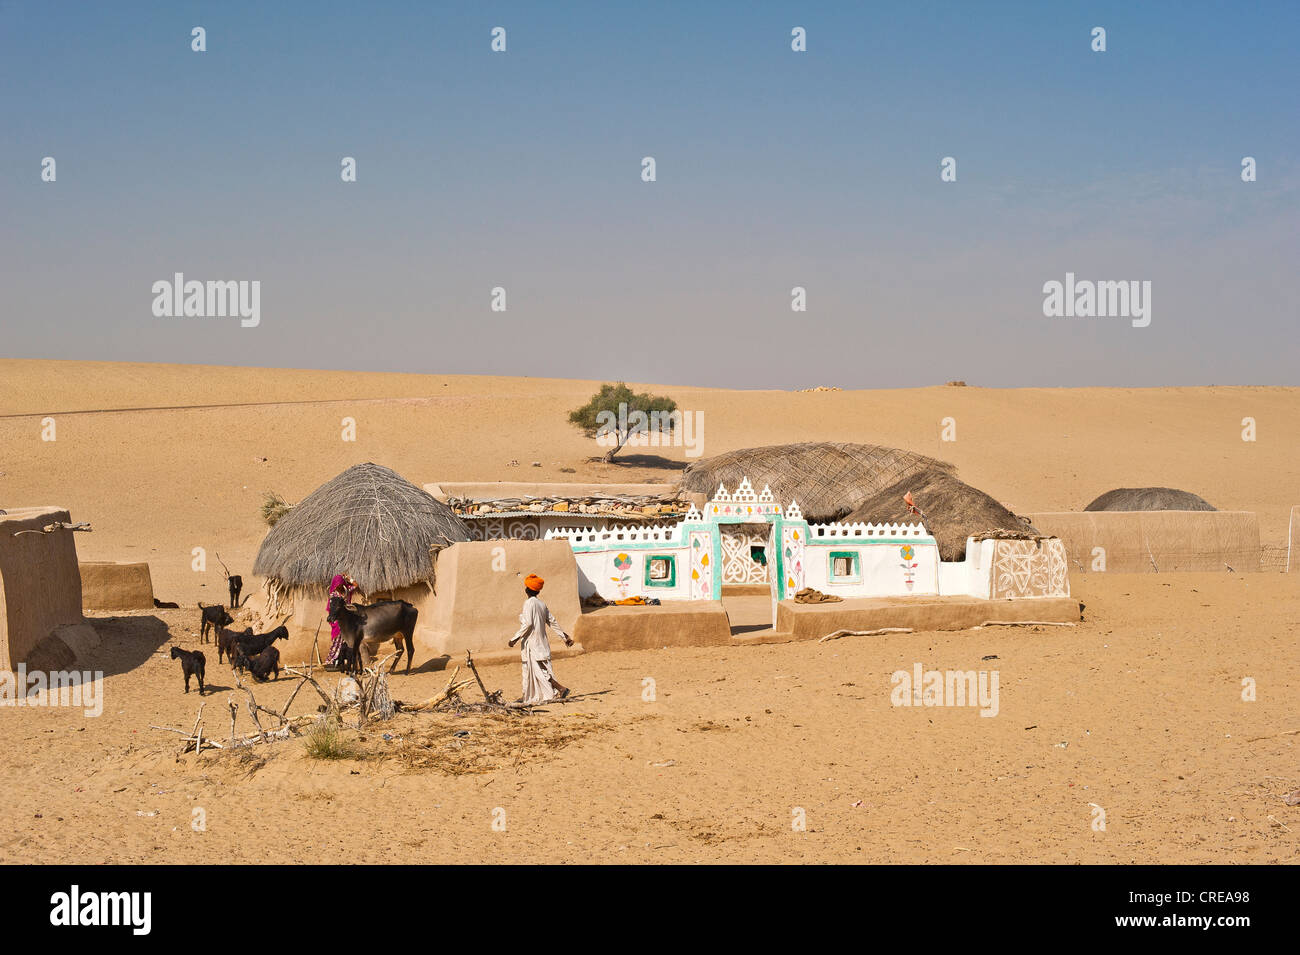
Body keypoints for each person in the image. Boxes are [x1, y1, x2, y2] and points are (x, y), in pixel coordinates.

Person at [509, 573, 573, 703]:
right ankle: (527, 696)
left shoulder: (529, 603)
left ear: (528, 589)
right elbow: (552, 621)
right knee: (533, 669)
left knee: (537, 669)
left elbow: (528, 623)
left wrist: (514, 638)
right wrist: (564, 636)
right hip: (541, 642)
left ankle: (560, 688)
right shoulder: (541, 604)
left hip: (532, 642)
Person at [326, 573, 359, 667]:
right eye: (337, 584)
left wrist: (349, 578)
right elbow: (331, 608)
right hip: (337, 621)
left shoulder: (346, 590)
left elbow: (356, 585)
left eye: (340, 584)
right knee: (337, 641)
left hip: (348, 620)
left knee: (347, 641)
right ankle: (334, 659)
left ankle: (346, 659)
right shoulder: (333, 594)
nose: (339, 586)